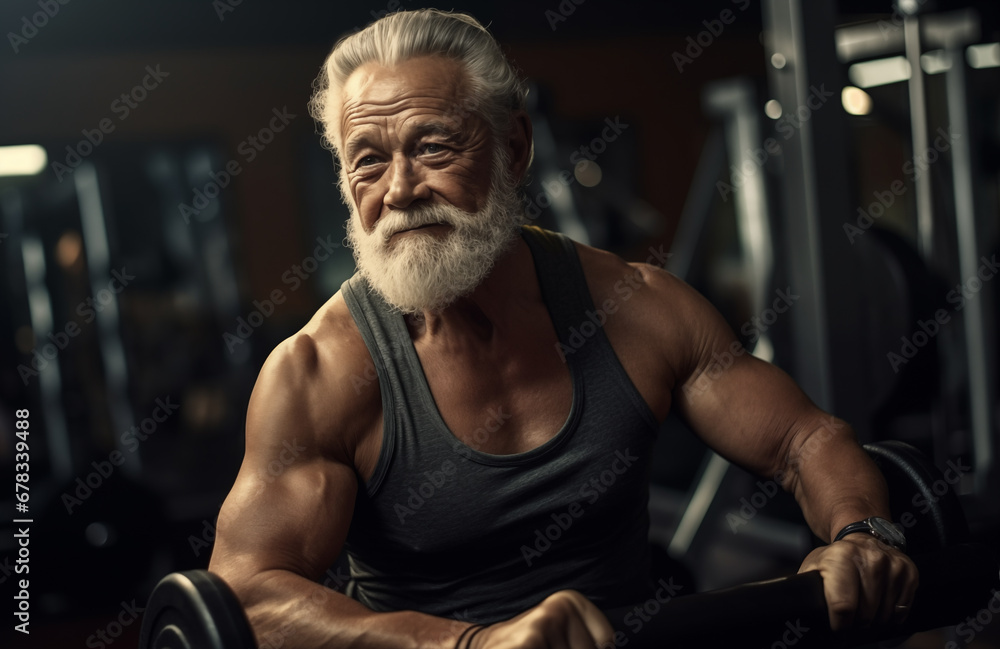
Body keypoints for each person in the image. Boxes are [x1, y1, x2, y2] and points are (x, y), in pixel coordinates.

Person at [208, 8, 918, 649]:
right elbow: (248, 595)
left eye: (433, 147)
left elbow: (805, 438)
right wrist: (468, 644)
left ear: (512, 147)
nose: (399, 189)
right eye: (368, 158)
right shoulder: (319, 370)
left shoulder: (636, 308)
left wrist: (860, 532)